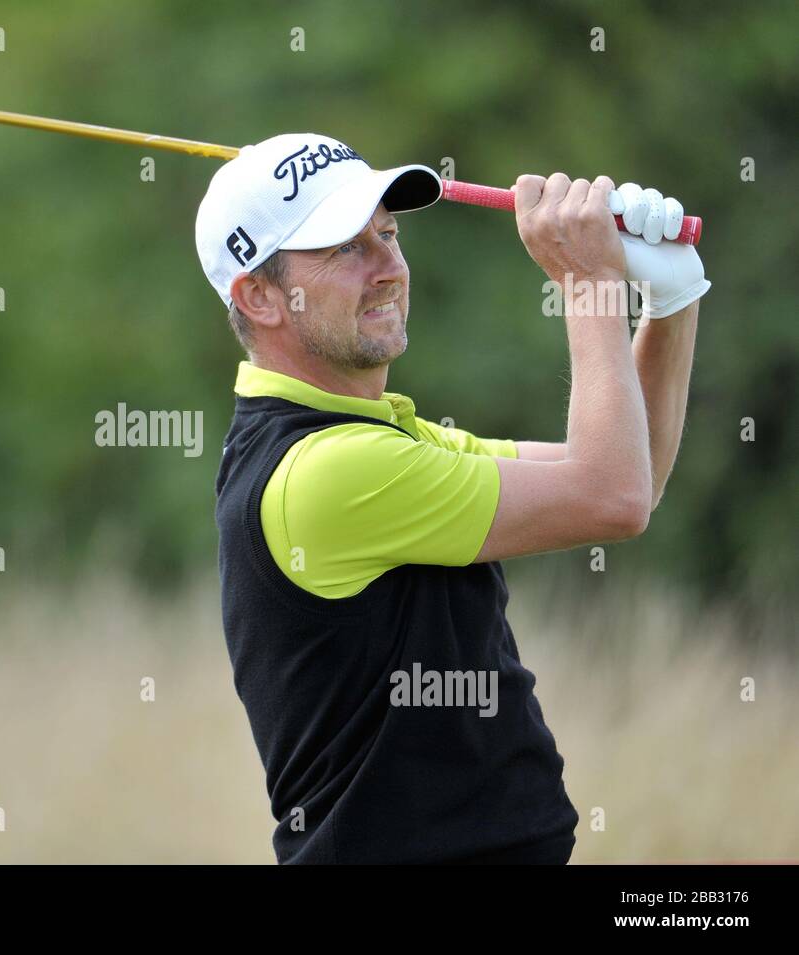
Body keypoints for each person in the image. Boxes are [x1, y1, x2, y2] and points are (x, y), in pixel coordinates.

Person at [197, 133, 710, 864]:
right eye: (344, 248)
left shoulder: (372, 441)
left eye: (388, 232)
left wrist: (671, 301)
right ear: (258, 295)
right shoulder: (328, 471)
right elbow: (613, 495)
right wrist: (588, 279)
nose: (388, 268)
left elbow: (632, 474)